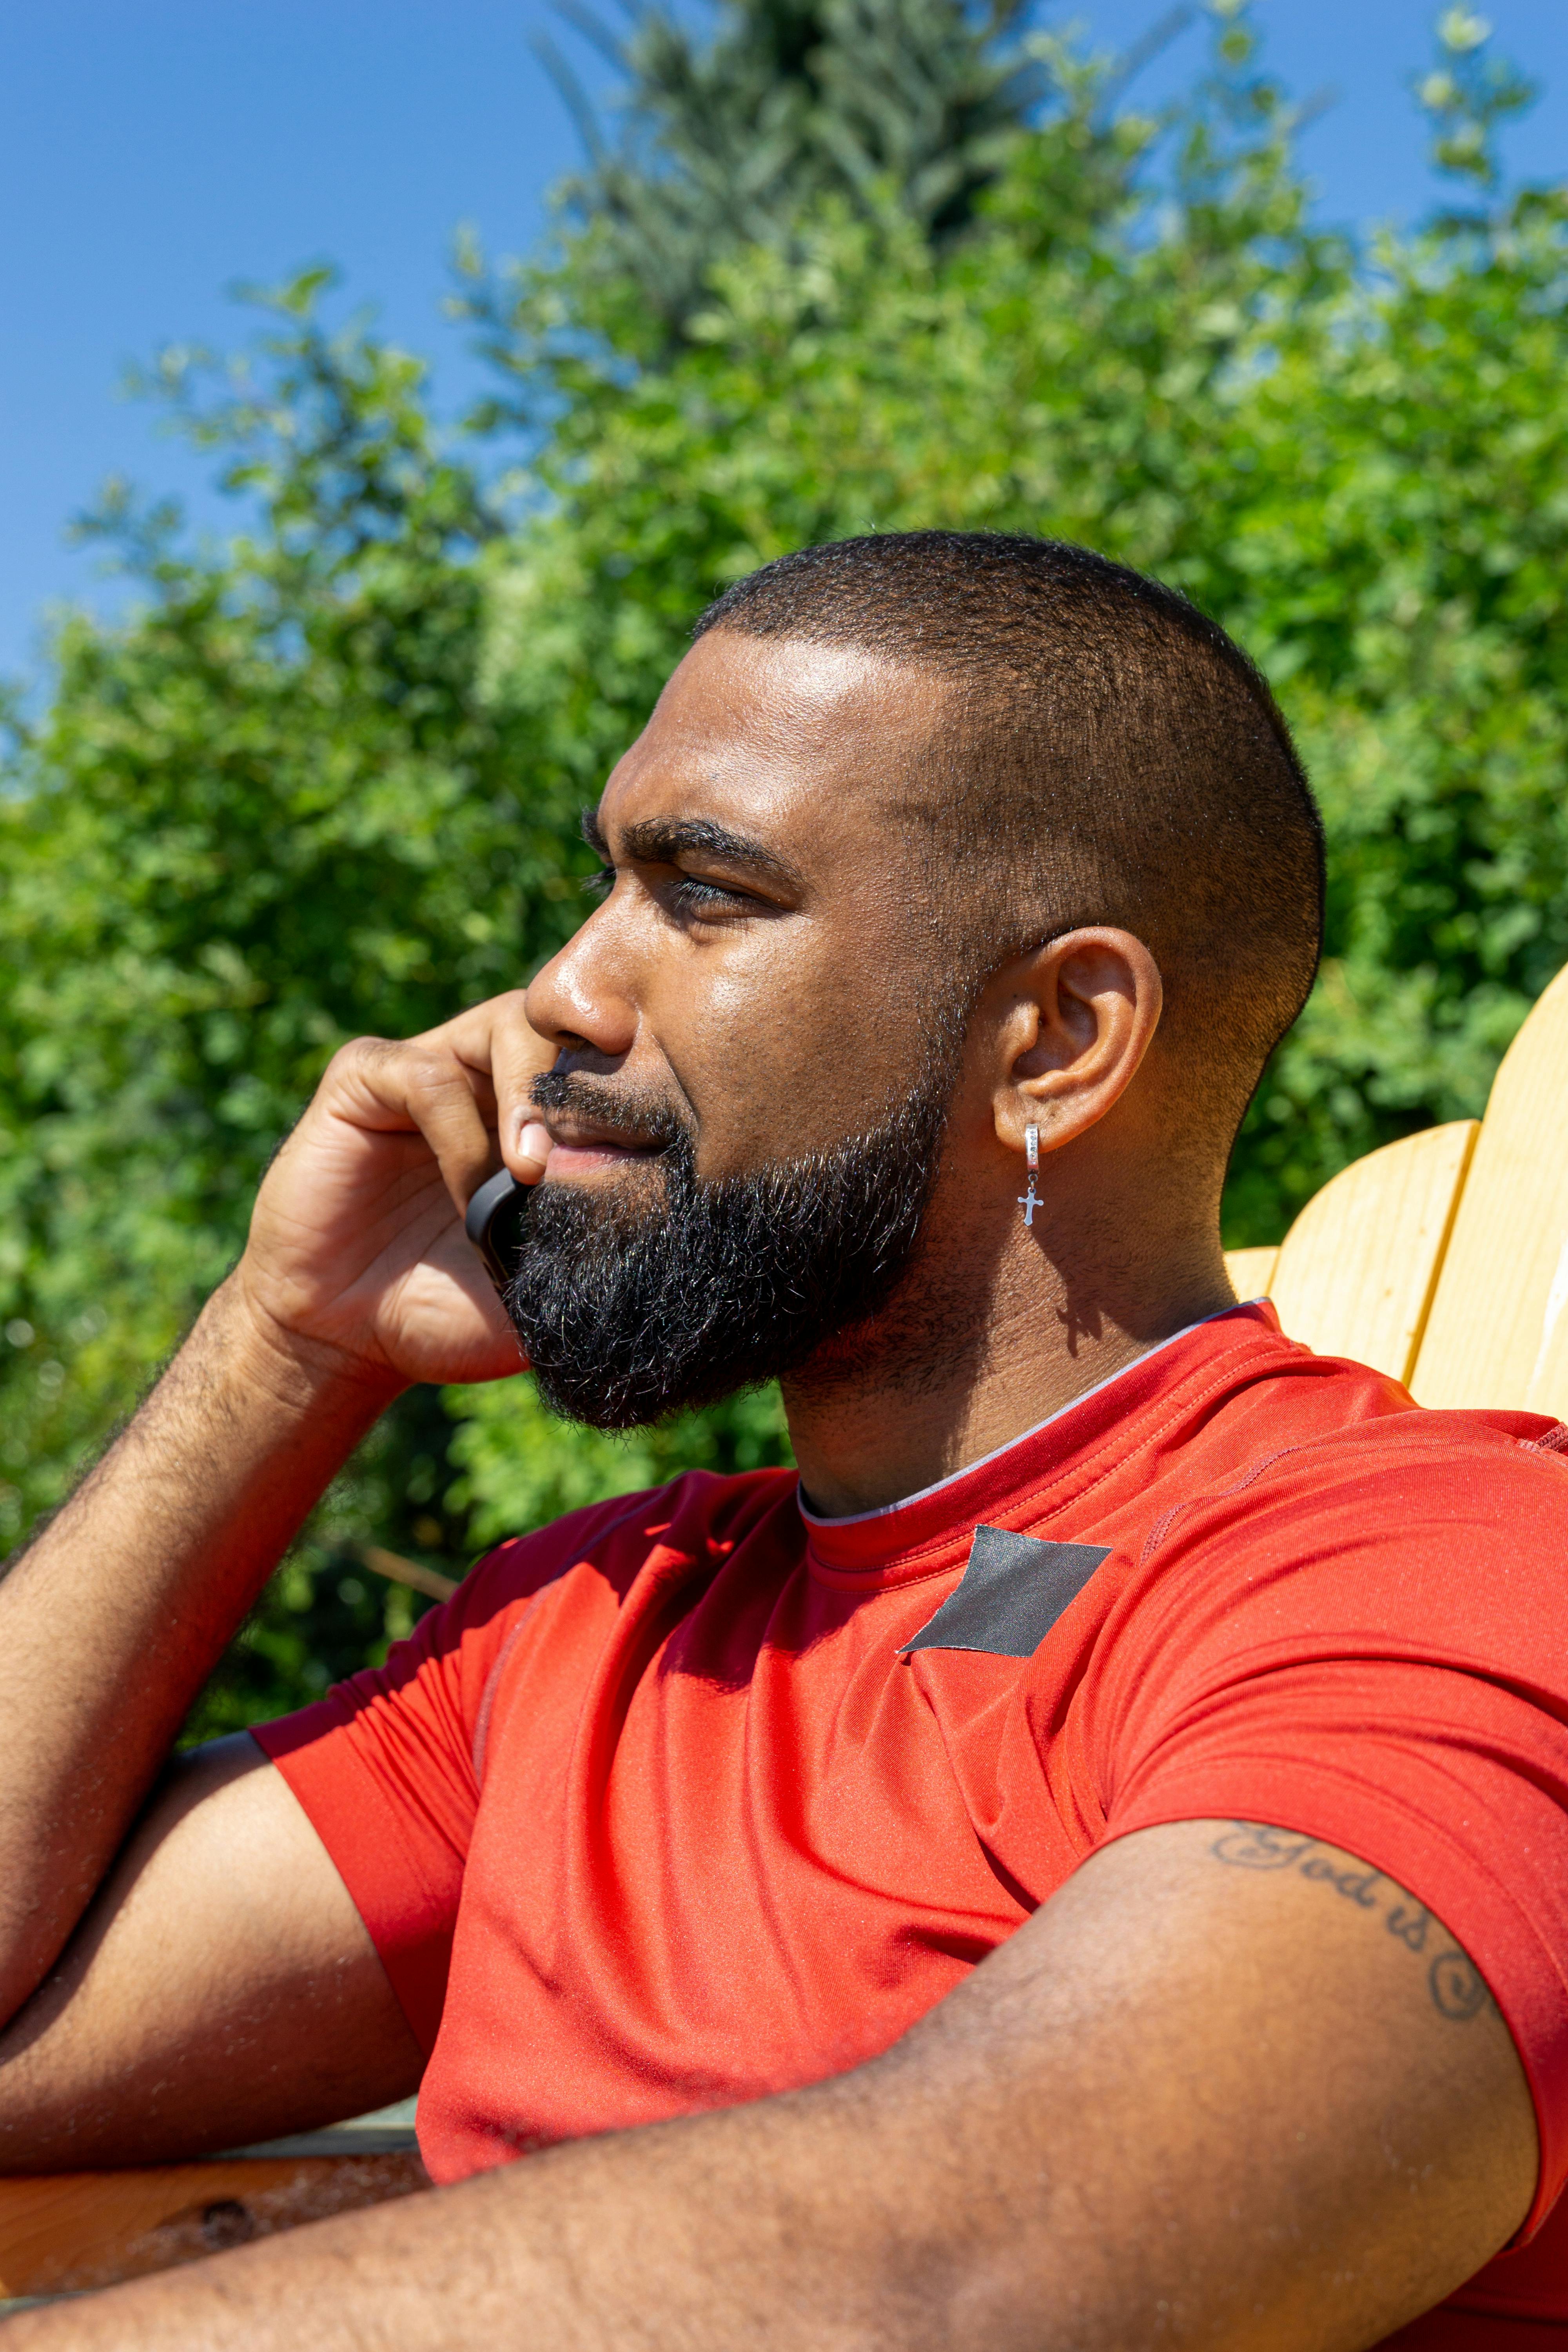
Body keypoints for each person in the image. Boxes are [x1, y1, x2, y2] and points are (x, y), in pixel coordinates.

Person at [1, 531, 1566, 2352]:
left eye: (707, 895)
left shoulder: (1432, 1576)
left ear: (1055, 1039)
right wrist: (280, 1347)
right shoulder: (588, 1631)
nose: (565, 994)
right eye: (603, 884)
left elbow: (982, 2273)